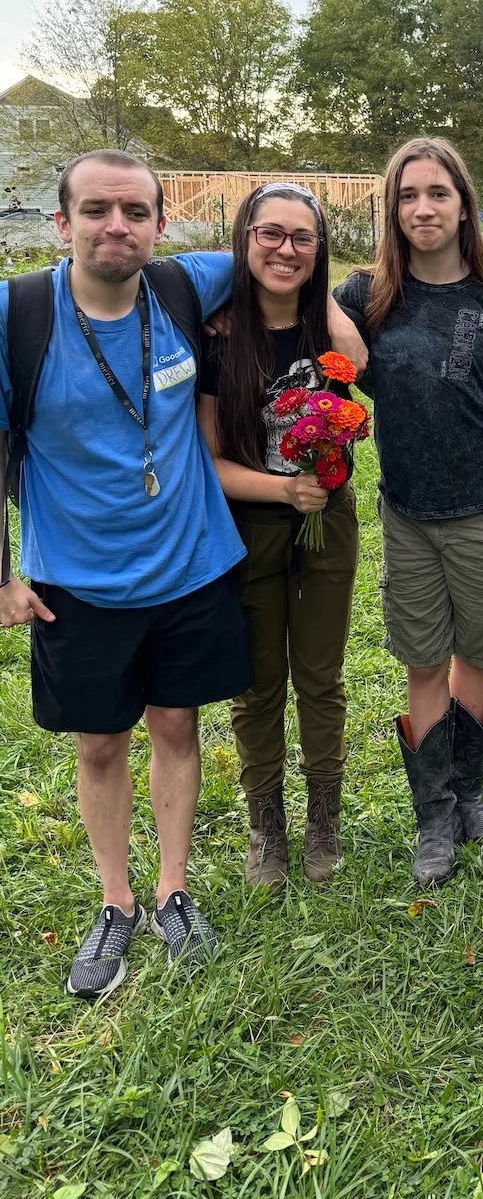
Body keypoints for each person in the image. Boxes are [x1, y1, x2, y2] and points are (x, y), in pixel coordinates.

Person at [0, 150, 253, 998]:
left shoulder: (186, 289)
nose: (119, 226)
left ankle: (174, 889)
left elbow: (289, 253)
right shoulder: (18, 315)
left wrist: (341, 325)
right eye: (99, 210)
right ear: (62, 222)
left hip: (187, 569)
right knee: (101, 743)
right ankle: (116, 904)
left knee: (176, 730)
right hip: (76, 583)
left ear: (161, 222)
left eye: (137, 212)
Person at [334, 137, 483, 888]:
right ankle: (433, 816)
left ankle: (469, 794)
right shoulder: (365, 299)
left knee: (475, 656)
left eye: (438, 194)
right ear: (392, 209)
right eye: (408, 195)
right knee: (423, 659)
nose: (423, 207)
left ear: (463, 206)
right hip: (408, 513)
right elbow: (304, 321)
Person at [197, 183, 360, 891]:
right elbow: (210, 461)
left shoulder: (332, 332)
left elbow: (365, 375)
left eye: (301, 237)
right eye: (269, 234)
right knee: (257, 687)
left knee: (319, 680)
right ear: (243, 238)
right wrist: (285, 490)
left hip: (327, 528)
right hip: (251, 528)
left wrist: (312, 294)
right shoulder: (216, 335)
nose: (284, 249)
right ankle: (266, 829)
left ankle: (323, 821)